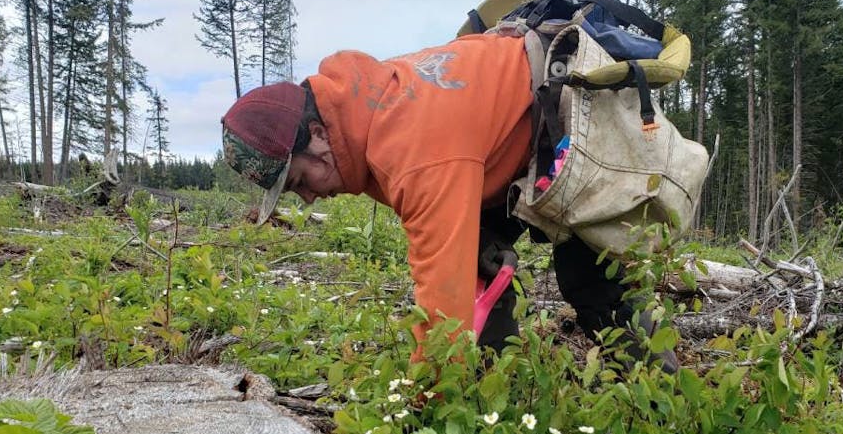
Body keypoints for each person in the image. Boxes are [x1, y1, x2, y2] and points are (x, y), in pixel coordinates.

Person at [220, 32, 678, 373]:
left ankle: (664, 407)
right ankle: (496, 396)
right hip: (505, 152)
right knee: (484, 262)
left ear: (319, 135)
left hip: (572, 129)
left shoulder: (411, 147)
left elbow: (442, 305)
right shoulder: (365, 107)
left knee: (591, 281)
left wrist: (428, 402)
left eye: (299, 180)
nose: (307, 196)